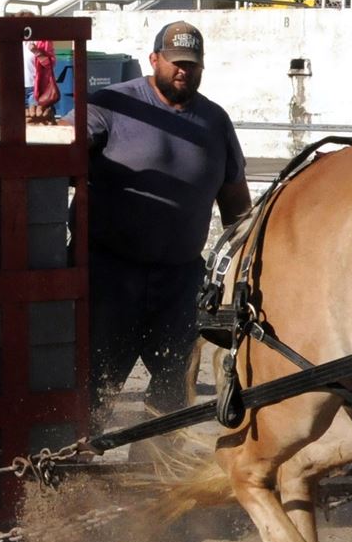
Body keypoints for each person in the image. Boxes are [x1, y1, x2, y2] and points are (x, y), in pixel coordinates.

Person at [84, 21, 250, 412]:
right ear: (154, 59)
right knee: (94, 386)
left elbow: (236, 206)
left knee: (173, 389)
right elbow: (61, 154)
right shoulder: (112, 104)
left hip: (179, 280)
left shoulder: (215, 120)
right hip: (111, 276)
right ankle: (77, 465)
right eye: (175, 62)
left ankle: (154, 467)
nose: (183, 70)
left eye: (192, 64)